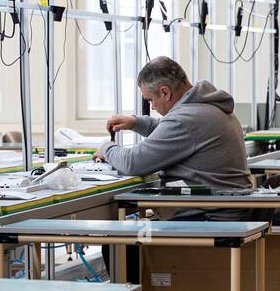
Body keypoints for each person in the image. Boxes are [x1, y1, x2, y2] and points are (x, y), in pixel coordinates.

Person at [96, 56, 252, 190]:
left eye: (150, 100)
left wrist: (106, 148)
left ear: (165, 92)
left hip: (208, 215)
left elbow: (133, 163)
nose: (152, 106)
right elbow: (170, 132)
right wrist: (135, 122)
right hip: (225, 207)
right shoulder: (207, 106)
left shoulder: (186, 119)